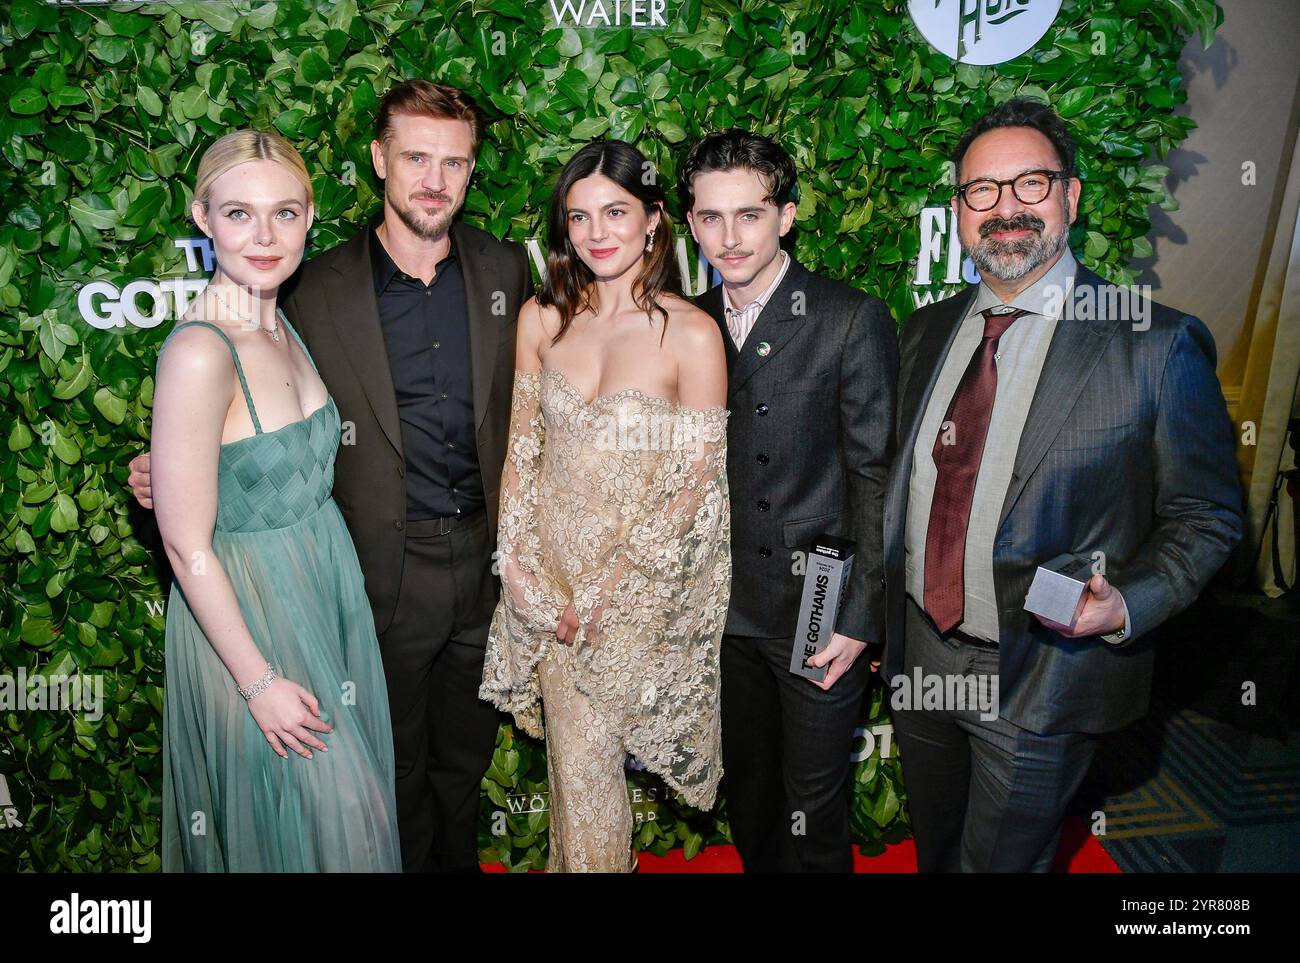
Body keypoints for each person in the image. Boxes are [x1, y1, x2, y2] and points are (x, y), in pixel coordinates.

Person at [131, 81, 533, 873]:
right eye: (416, 156)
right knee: (365, 788)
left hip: (476, 571)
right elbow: (208, 437)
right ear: (380, 159)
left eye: (454, 162)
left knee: (457, 768)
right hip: (368, 575)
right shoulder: (314, 287)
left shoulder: (505, 270)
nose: (433, 179)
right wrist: (168, 470)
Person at [881, 98, 1245, 872]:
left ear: (1071, 197)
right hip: (921, 653)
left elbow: (1206, 513)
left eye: (1031, 184)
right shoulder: (925, 330)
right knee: (937, 848)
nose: (1006, 207)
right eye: (983, 190)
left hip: (1042, 674)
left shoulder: (1156, 342)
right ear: (959, 210)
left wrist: (1129, 601)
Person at [479, 139, 731, 872]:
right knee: (576, 776)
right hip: (552, 595)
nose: (596, 233)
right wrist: (520, 572)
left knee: (587, 778)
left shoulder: (691, 332)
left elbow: (695, 485)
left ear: (655, 219)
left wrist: (609, 588)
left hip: (637, 598)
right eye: (579, 216)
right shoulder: (542, 319)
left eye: (616, 212)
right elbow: (521, 453)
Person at [153, 129, 400, 871]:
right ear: (202, 216)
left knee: (350, 826)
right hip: (248, 623)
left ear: (309, 215)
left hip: (323, 596)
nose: (264, 236)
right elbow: (185, 543)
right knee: (315, 827)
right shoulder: (199, 351)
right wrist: (257, 683)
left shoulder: (280, 316)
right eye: (238, 214)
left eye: (284, 213)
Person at [682, 130, 899, 872]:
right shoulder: (686, 321)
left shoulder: (848, 317)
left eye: (750, 213)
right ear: (690, 224)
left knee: (813, 805)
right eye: (711, 217)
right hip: (723, 610)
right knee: (750, 793)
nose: (730, 236)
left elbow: (877, 477)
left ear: (788, 215)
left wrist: (862, 618)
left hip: (818, 606)